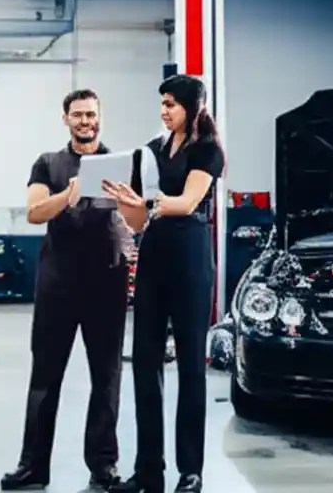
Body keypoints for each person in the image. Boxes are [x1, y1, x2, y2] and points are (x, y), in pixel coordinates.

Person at [1, 89, 130, 491]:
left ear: (100, 116)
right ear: (66, 119)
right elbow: (35, 211)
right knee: (45, 377)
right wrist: (68, 194)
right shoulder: (48, 163)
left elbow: (137, 216)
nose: (85, 121)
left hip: (106, 284)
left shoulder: (122, 165)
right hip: (57, 284)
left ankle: (103, 467)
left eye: (91, 114)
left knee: (106, 378)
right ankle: (32, 467)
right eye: (78, 115)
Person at [103, 74, 226, 493]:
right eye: (161, 103)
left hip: (190, 256)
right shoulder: (150, 151)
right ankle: (147, 470)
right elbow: (139, 220)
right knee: (145, 364)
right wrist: (125, 204)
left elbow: (188, 202)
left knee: (192, 366)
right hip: (154, 254)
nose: (164, 110)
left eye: (171, 103)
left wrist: (147, 204)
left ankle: (190, 471)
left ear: (193, 106)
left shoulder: (207, 149)